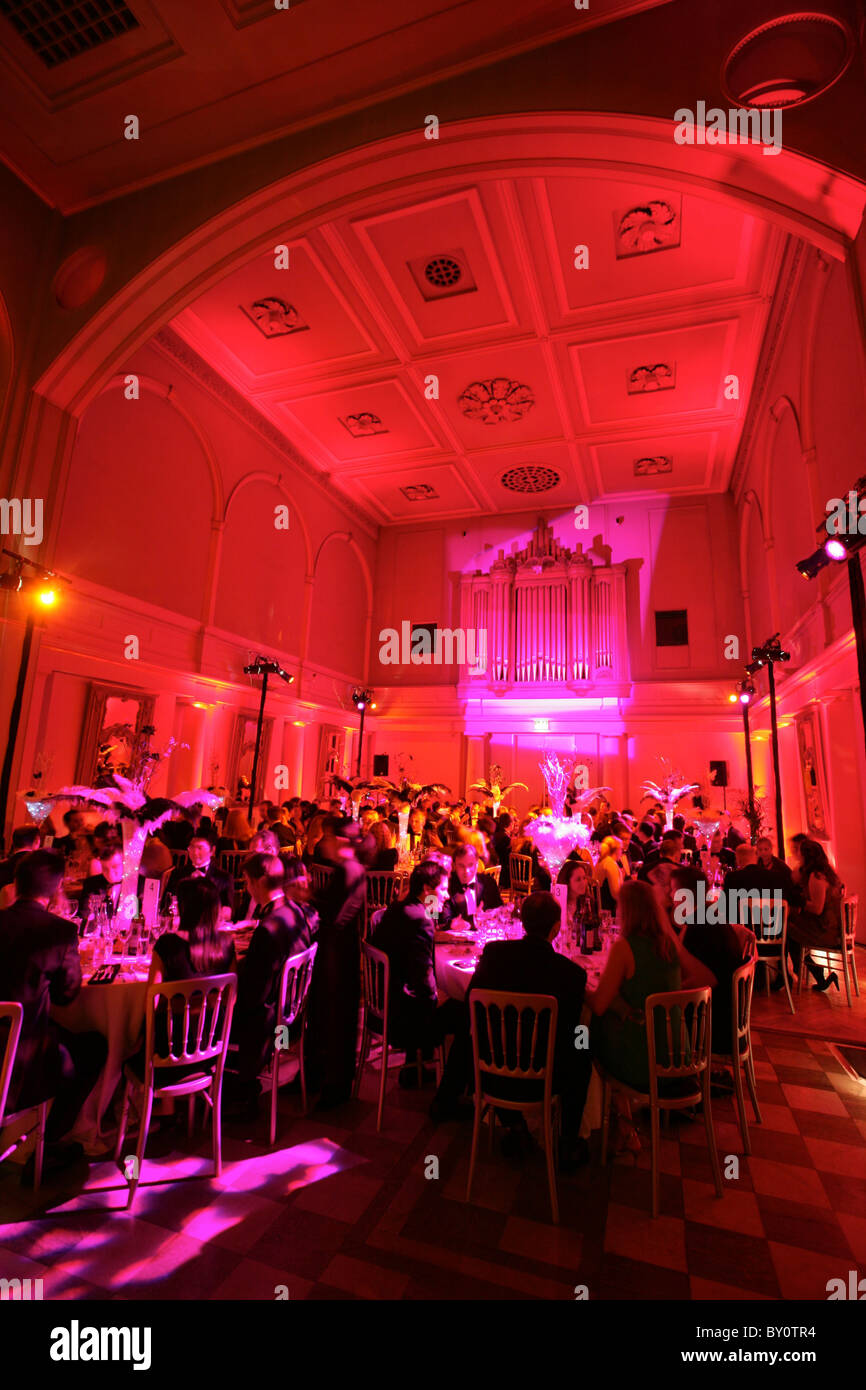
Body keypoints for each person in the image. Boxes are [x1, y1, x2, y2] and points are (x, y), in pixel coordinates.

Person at [457, 891, 592, 1166]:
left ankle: (515, 1126)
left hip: (490, 1073)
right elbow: (568, 1033)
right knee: (583, 1049)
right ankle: (567, 1145)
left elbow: (470, 1003)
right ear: (556, 929)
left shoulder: (494, 954)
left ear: (523, 922)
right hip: (545, 1080)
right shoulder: (571, 974)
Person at [0, 851, 107, 1179]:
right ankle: (47, 1144)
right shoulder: (59, 931)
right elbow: (66, 995)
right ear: (57, 887)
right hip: (22, 1061)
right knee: (94, 1047)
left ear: (17, 885)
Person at [588, 880, 682, 1151]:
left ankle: (621, 1126)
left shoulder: (625, 947)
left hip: (646, 1061)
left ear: (628, 910)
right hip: (678, 1052)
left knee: (587, 1033)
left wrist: (580, 986)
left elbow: (599, 1005)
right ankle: (624, 1123)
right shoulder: (668, 943)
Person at [225, 853, 317, 1115]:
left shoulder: (268, 928)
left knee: (208, 1018)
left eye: (247, 880)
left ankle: (237, 1088)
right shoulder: (295, 910)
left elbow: (254, 995)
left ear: (257, 882)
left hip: (274, 1028)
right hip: (294, 1016)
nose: (246, 886)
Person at [370, 860, 464, 1089]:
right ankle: (451, 1090)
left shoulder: (399, 908)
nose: (447, 895)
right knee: (467, 1012)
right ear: (426, 889)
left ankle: (414, 1068)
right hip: (403, 1017)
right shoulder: (419, 921)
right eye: (442, 889)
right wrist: (435, 995)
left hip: (383, 1003)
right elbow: (422, 979)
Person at [304, 819, 366, 1108]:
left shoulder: (349, 871)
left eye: (328, 837)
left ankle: (333, 1086)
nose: (324, 843)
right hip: (341, 952)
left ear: (340, 842)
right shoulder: (351, 870)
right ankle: (320, 1078)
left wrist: (306, 896)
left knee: (333, 1016)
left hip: (337, 955)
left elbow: (335, 915)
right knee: (331, 1016)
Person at [670, 865, 754, 1055]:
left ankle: (673, 1079)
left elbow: (703, 981)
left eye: (672, 890)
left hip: (714, 1027)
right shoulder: (708, 915)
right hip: (728, 1017)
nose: (669, 896)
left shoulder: (700, 926)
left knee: (651, 1016)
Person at [788, 838, 844, 991]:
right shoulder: (827, 872)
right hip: (831, 927)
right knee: (791, 925)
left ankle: (799, 974)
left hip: (826, 931)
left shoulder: (816, 876)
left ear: (807, 857)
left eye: (800, 854)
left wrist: (800, 902)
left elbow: (817, 909)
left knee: (787, 931)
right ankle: (816, 974)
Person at [164, 834, 233, 918]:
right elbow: (166, 902)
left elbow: (228, 911)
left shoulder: (224, 877)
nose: (195, 852)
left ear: (212, 851)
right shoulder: (177, 873)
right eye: (192, 847)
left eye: (200, 848)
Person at [440, 844, 503, 929]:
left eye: (470, 865)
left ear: (477, 864)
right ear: (454, 866)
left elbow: (500, 912)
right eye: (461, 866)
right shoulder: (446, 886)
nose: (466, 871)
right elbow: (443, 920)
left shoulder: (489, 883)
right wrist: (473, 919)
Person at [80, 846, 126, 920]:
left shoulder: (136, 885)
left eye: (115, 867)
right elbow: (84, 915)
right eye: (105, 869)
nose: (110, 874)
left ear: (125, 863)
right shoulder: (91, 884)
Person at [593, 836, 628, 913]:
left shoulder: (601, 861)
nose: (622, 852)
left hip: (599, 908)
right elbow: (616, 894)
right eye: (621, 849)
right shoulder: (610, 864)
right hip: (609, 911)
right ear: (616, 850)